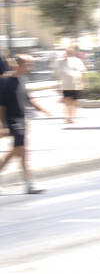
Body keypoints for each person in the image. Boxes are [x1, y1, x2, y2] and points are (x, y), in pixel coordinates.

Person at [0, 55, 52, 194]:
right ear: (19, 64)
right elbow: (2, 106)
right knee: (21, 151)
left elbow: (27, 98)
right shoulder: (8, 83)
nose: (30, 67)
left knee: (18, 152)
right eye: (29, 64)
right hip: (13, 121)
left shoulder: (22, 80)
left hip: (22, 120)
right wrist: (3, 124)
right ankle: (29, 184)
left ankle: (29, 184)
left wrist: (42, 109)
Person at [56, 47, 86, 125]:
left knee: (74, 102)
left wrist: (84, 82)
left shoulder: (78, 61)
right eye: (67, 52)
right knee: (67, 102)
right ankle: (67, 117)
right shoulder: (60, 62)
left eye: (70, 52)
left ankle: (72, 118)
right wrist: (58, 85)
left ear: (73, 52)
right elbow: (58, 74)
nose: (69, 53)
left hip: (76, 84)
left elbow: (83, 71)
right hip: (66, 85)